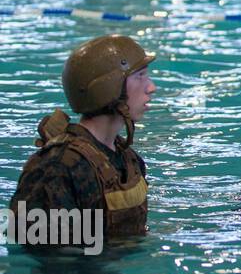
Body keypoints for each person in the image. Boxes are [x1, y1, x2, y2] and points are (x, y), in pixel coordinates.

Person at [8, 35, 156, 247]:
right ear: (108, 87)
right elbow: (44, 259)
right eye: (140, 76)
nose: (151, 87)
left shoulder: (127, 159)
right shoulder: (56, 168)